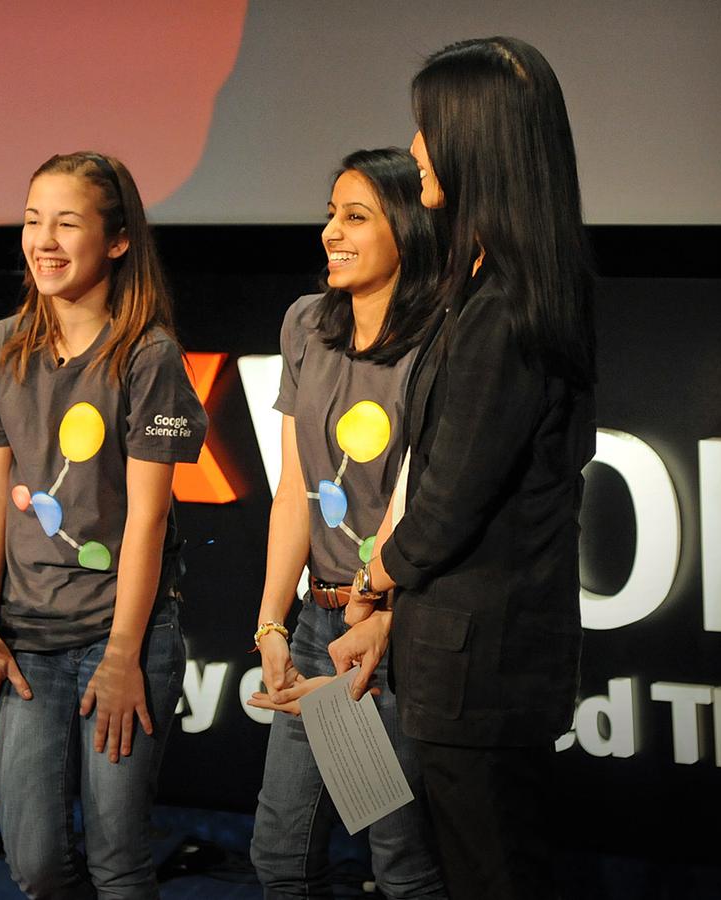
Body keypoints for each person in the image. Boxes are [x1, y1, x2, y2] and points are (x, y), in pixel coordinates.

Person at [320, 37, 597, 900]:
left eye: (429, 126)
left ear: (476, 138)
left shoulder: (508, 306)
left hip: (482, 669)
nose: (415, 147)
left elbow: (449, 499)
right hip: (461, 656)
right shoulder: (486, 284)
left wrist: (374, 580)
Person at [0, 151, 207, 899]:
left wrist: (125, 652)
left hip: (121, 634)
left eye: (67, 224)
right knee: (35, 864)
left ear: (118, 239)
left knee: (118, 862)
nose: (44, 240)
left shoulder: (149, 355)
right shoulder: (0, 345)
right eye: (33, 221)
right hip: (23, 641)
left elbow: (148, 519)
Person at [246, 149, 448, 899]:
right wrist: (272, 624)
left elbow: (432, 501)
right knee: (280, 857)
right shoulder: (308, 324)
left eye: (355, 216)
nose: (331, 231)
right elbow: (295, 489)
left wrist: (382, 614)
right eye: (331, 213)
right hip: (319, 627)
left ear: (408, 229)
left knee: (401, 864)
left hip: (395, 634)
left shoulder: (444, 337)